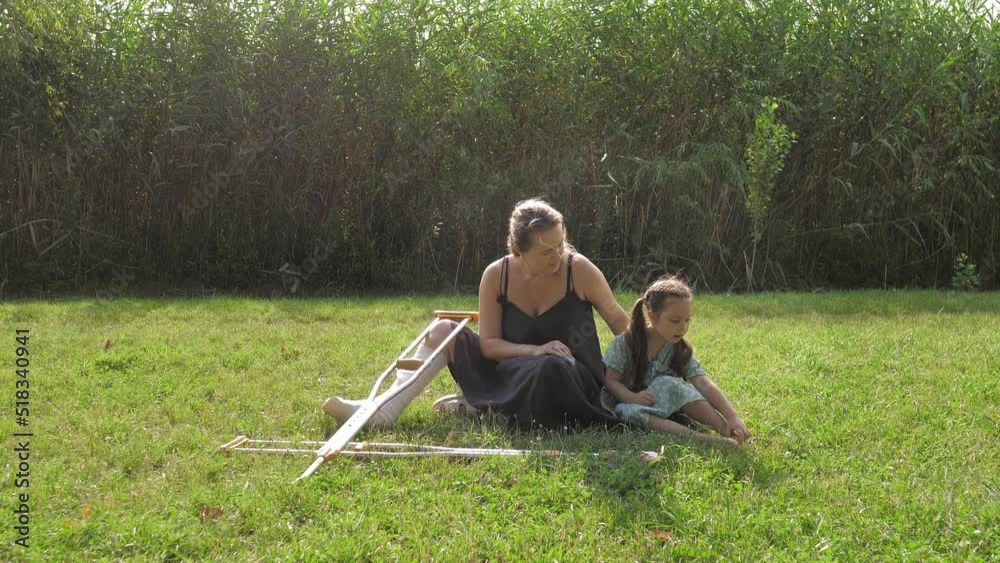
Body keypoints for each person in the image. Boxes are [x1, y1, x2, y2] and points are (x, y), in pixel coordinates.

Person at [322, 198, 630, 429]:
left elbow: (618, 320)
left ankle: (485, 406)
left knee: (550, 366)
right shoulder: (497, 275)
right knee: (444, 329)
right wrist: (534, 350)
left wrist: (647, 369)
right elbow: (489, 346)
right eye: (547, 252)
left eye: (561, 245)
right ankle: (384, 409)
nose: (558, 256)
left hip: (568, 378)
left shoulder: (579, 269)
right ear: (518, 250)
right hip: (512, 372)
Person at [602, 276, 751, 445]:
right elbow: (610, 381)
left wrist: (732, 416)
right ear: (652, 316)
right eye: (675, 321)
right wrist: (631, 397)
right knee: (627, 412)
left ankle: (726, 431)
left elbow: (703, 383)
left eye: (687, 320)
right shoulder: (626, 343)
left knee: (673, 385)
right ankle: (705, 439)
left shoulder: (679, 350)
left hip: (665, 406)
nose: (683, 327)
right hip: (628, 406)